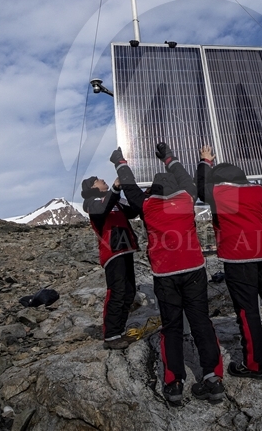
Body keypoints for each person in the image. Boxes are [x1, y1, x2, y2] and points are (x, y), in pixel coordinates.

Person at [112, 142, 225, 406]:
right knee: (201, 323)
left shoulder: (147, 206)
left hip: (165, 276)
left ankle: (174, 384)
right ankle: (213, 378)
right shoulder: (187, 197)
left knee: (172, 327)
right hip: (194, 270)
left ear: (153, 189)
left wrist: (120, 162)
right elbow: (187, 179)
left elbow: (129, 186)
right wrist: (168, 157)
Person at [196, 145, 262, 379]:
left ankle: (254, 365)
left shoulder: (221, 193)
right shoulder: (257, 192)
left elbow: (202, 189)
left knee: (248, 311)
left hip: (238, 259)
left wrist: (205, 161)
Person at [81, 174, 140, 350]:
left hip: (126, 249)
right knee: (117, 291)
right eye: (97, 180)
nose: (102, 179)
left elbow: (133, 211)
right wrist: (114, 189)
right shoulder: (91, 203)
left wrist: (128, 189)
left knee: (129, 292)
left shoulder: (115, 201)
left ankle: (119, 331)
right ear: (92, 187)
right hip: (112, 251)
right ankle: (111, 335)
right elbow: (101, 210)